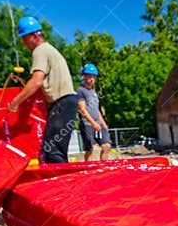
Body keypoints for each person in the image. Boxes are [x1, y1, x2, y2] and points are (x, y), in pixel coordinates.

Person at [8, 16, 78, 163]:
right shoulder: (49, 50)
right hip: (67, 103)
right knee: (56, 150)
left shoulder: (40, 51)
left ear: (34, 36)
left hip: (63, 103)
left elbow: (36, 81)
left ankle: (61, 178)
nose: (23, 43)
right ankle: (64, 176)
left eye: (25, 38)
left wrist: (15, 102)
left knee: (52, 151)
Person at [76, 63, 111, 161]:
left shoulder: (93, 92)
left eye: (94, 77)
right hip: (87, 124)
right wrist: (93, 123)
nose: (92, 79)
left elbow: (96, 110)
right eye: (90, 76)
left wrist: (103, 123)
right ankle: (88, 168)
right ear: (84, 76)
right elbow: (83, 110)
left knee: (106, 146)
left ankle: (103, 167)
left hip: (98, 123)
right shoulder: (80, 91)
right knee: (89, 149)